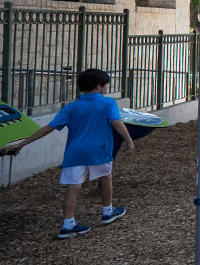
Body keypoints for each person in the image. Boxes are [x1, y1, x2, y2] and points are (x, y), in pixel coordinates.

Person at [2, 69, 134, 238]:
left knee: (74, 187)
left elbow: (48, 128)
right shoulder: (108, 103)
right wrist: (129, 140)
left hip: (75, 153)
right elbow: (116, 122)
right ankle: (107, 211)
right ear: (100, 86)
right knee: (106, 177)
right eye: (106, 85)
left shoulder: (71, 107)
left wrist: (23, 143)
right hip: (99, 151)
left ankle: (68, 224)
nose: (106, 88)